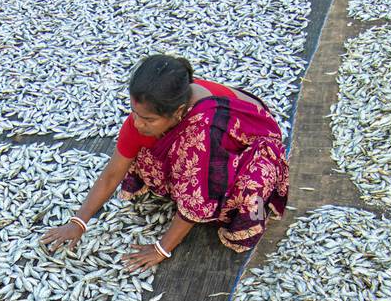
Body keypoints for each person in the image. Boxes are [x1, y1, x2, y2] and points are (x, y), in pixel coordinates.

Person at [41, 54, 289, 271]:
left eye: (147, 119)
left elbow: (196, 199)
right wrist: (78, 222)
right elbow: (113, 172)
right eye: (134, 113)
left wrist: (162, 249)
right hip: (199, 141)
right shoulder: (152, 111)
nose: (137, 123)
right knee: (148, 152)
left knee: (237, 188)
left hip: (253, 148)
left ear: (179, 111)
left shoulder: (202, 131)